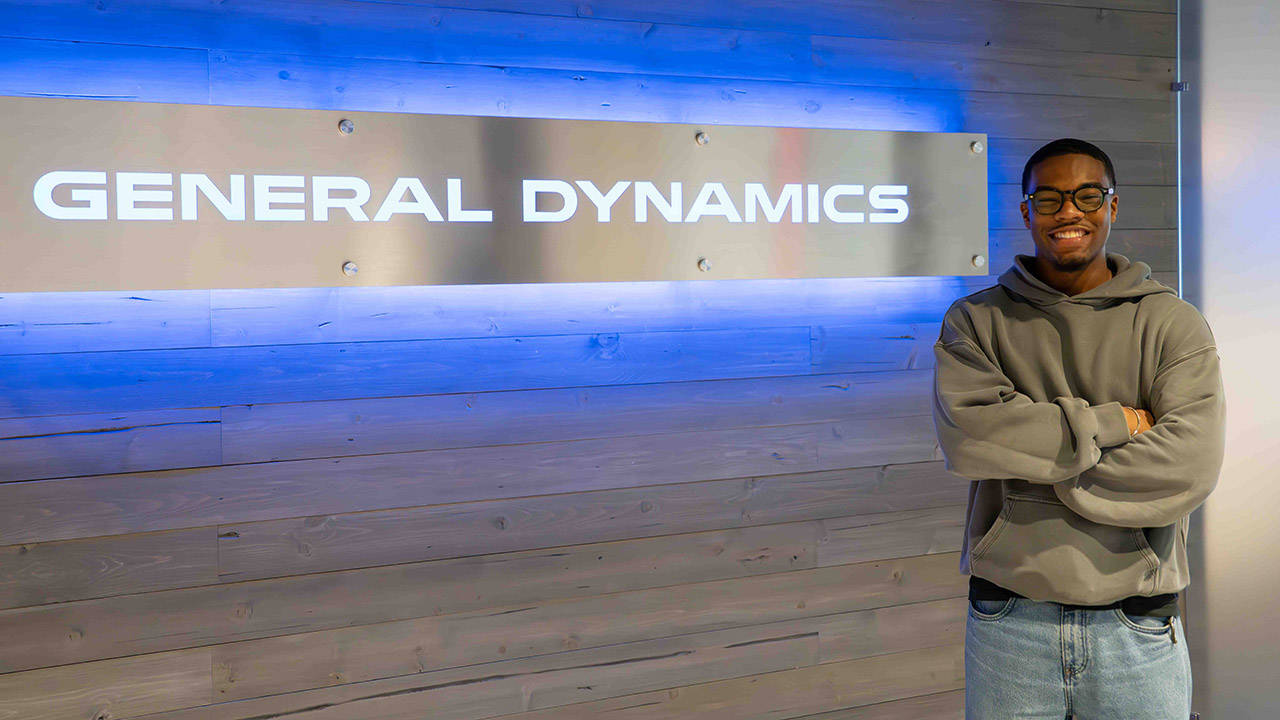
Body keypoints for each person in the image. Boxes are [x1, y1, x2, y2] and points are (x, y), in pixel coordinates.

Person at [931, 138, 1225, 719]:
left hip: (1136, 624)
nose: (1068, 211)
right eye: (1049, 198)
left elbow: (1188, 465)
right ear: (1026, 212)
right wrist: (1116, 423)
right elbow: (969, 439)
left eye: (1087, 196)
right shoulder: (976, 321)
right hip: (1009, 619)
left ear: (1112, 205)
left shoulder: (1172, 323)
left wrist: (1036, 465)